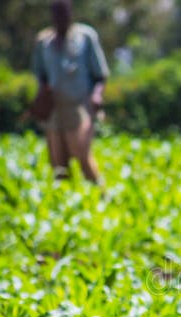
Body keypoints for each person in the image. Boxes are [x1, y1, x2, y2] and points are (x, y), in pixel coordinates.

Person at [31, 0, 109, 186]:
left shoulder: (86, 37)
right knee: (58, 163)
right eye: (57, 14)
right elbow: (40, 74)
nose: (61, 18)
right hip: (55, 109)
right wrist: (43, 93)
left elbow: (100, 74)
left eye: (64, 13)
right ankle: (65, 203)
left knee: (83, 155)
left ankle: (101, 196)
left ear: (70, 13)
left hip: (80, 107)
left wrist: (97, 95)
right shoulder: (44, 42)